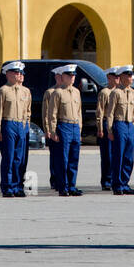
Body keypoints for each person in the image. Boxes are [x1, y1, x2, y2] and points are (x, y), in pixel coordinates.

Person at [44, 63, 84, 196]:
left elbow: (79, 113)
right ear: (63, 77)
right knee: (63, 159)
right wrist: (53, 131)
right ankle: (63, 187)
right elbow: (52, 113)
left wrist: (79, 129)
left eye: (73, 75)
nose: (72, 78)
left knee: (74, 158)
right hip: (63, 126)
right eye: (69, 75)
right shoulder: (57, 93)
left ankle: (72, 185)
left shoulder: (76, 92)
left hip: (74, 126)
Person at [0, 61, 32, 197]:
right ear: (7, 74)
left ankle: (17, 186)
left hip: (20, 125)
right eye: (15, 72)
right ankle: (7, 186)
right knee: (8, 157)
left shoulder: (25, 91)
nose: (18, 75)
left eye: (19, 73)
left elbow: (28, 111)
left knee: (18, 158)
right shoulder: (3, 90)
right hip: (8, 124)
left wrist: (26, 125)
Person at [106, 65, 134, 195]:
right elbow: (110, 113)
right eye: (128, 75)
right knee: (118, 156)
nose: (131, 78)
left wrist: (133, 124)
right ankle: (117, 184)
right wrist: (109, 130)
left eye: (131, 75)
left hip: (130, 125)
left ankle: (125, 183)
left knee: (128, 157)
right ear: (121, 77)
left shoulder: (133, 93)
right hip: (119, 124)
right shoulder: (115, 92)